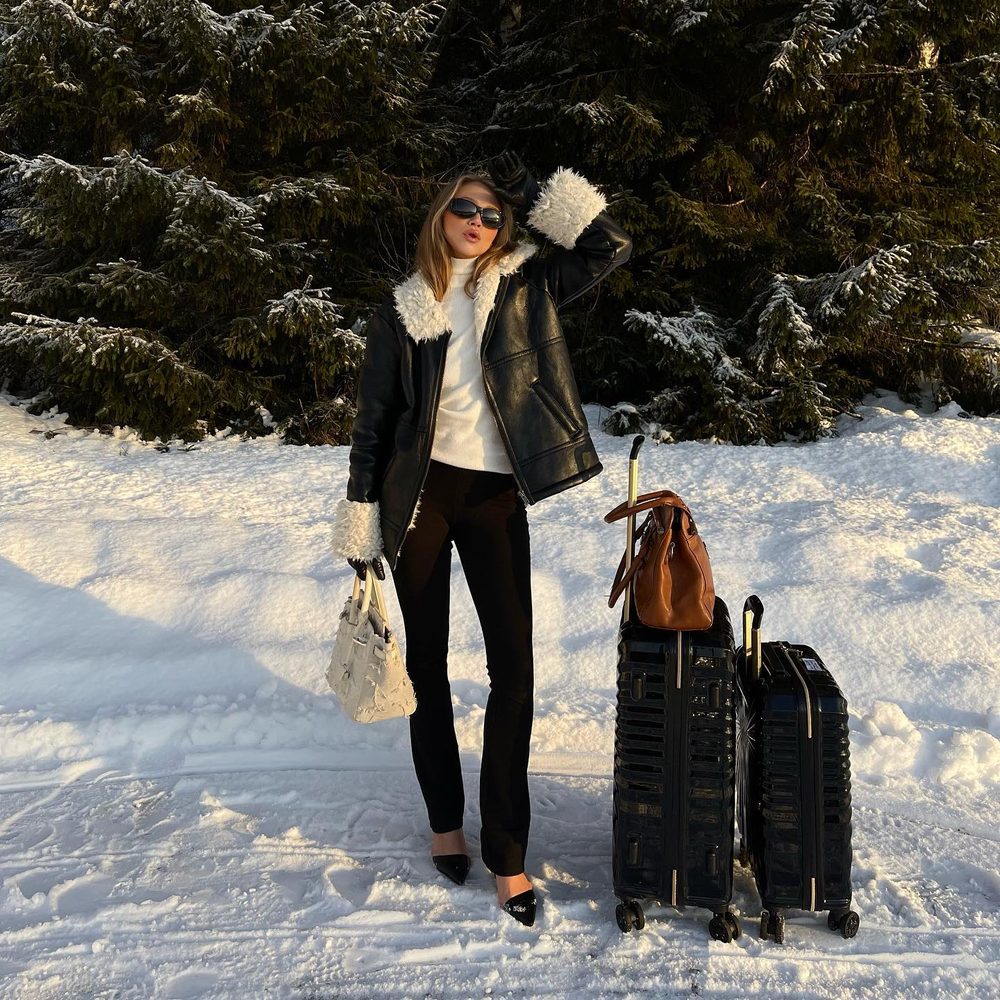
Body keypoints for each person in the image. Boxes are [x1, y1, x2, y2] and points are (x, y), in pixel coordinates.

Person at [331, 150, 631, 926]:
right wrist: (361, 516)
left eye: (492, 215)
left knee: (515, 675)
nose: (477, 222)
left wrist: (526, 189)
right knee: (426, 668)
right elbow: (373, 423)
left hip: (496, 497)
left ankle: (507, 853)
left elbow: (607, 246)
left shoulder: (527, 285)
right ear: (440, 216)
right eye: (465, 208)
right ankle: (444, 824)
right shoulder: (405, 309)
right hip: (420, 496)